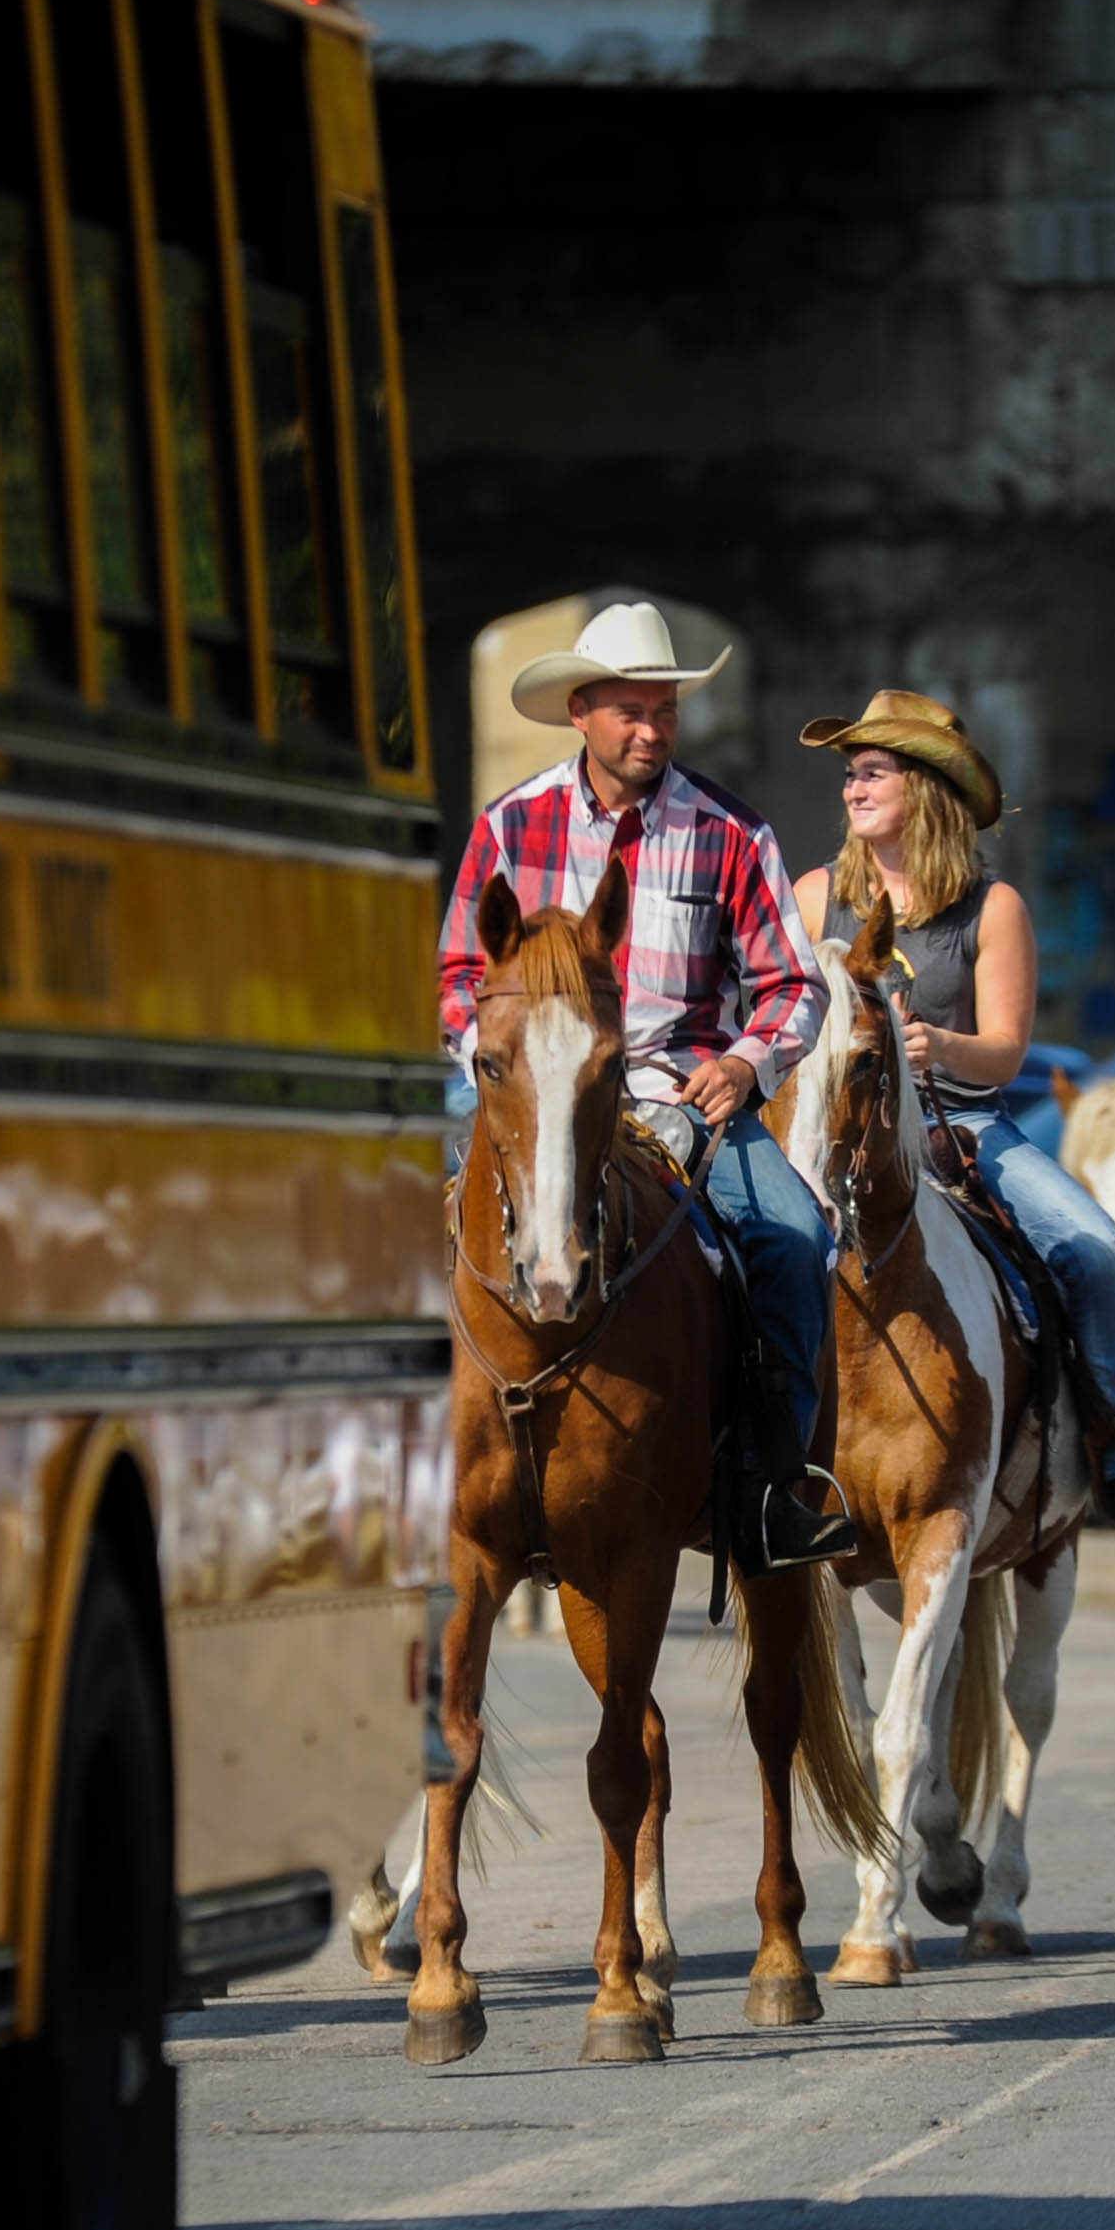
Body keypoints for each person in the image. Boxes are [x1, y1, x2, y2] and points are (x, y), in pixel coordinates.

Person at [435, 600, 854, 1574]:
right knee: (405, 1236)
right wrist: (495, 1068)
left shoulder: (731, 833)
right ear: (579, 710)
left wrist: (748, 1062)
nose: (651, 729)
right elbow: (461, 978)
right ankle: (417, 1473)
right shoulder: (509, 825)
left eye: (663, 709)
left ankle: (771, 1485)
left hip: (683, 1102)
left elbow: (792, 982)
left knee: (790, 1240)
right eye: (629, 709)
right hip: (529, 1103)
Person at [788, 691, 1115, 1532]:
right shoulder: (815, 895)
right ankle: (756, 1452)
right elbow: (783, 1018)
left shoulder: (992, 908)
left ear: (923, 787)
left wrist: (935, 1047)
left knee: (1100, 1250)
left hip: (963, 1127)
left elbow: (1006, 1049)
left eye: (872, 773)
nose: (852, 790)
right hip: (839, 1134)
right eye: (850, 775)